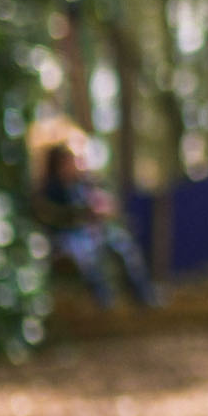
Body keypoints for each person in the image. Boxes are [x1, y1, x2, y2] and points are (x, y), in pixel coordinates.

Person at [31, 128, 158, 309]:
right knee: (86, 254)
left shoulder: (83, 184)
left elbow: (103, 206)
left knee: (123, 244)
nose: (74, 165)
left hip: (93, 234)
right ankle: (104, 302)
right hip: (66, 239)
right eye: (69, 161)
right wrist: (82, 213)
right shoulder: (50, 190)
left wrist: (103, 209)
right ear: (58, 164)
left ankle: (143, 294)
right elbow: (51, 216)